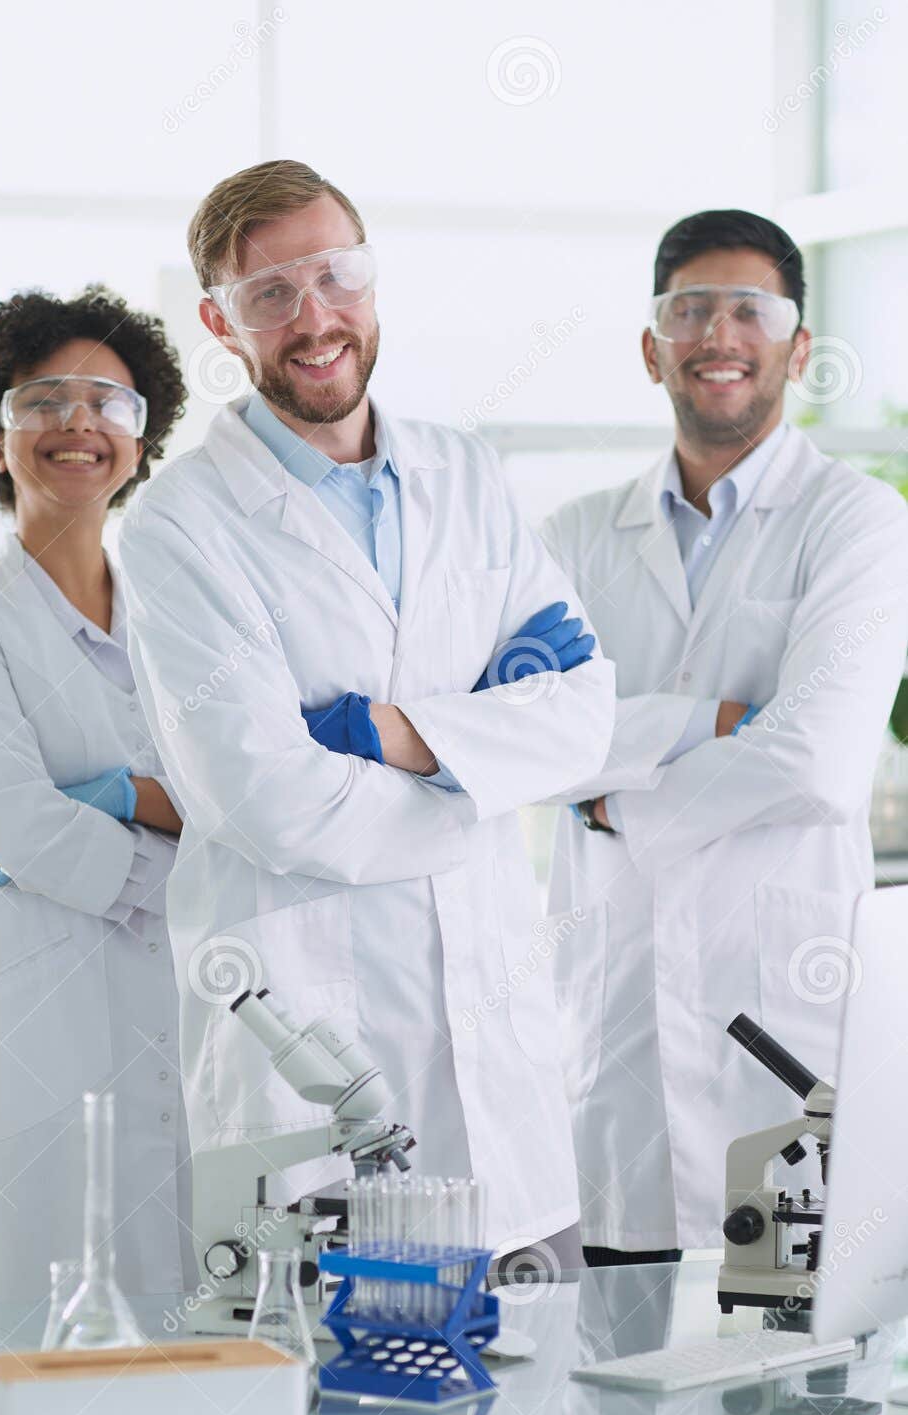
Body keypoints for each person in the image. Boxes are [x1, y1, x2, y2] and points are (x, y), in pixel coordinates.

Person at [117, 158, 615, 1296]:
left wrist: (387, 736)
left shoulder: (467, 476)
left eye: (335, 275)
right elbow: (269, 799)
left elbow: (582, 712)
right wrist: (481, 780)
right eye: (272, 291)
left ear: (372, 281)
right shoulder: (179, 529)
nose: (315, 317)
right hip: (309, 1084)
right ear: (218, 320)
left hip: (503, 1084)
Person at [543, 208, 908, 1415]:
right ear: (651, 344)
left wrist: (617, 784)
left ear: (796, 347)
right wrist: (714, 719)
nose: (718, 336)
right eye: (691, 309)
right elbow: (521, 731)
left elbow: (817, 759)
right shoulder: (576, 534)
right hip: (616, 1049)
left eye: (747, 311)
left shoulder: (855, 519)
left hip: (788, 1056)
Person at [0, 287, 195, 1305]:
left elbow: (254, 800)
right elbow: (24, 830)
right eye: (42, 401)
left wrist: (128, 798)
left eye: (108, 403)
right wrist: (194, 848)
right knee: (16, 1411)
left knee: (191, 1402)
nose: (77, 422)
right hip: (37, 1059)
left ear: (139, 442)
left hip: (186, 1055)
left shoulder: (183, 627)